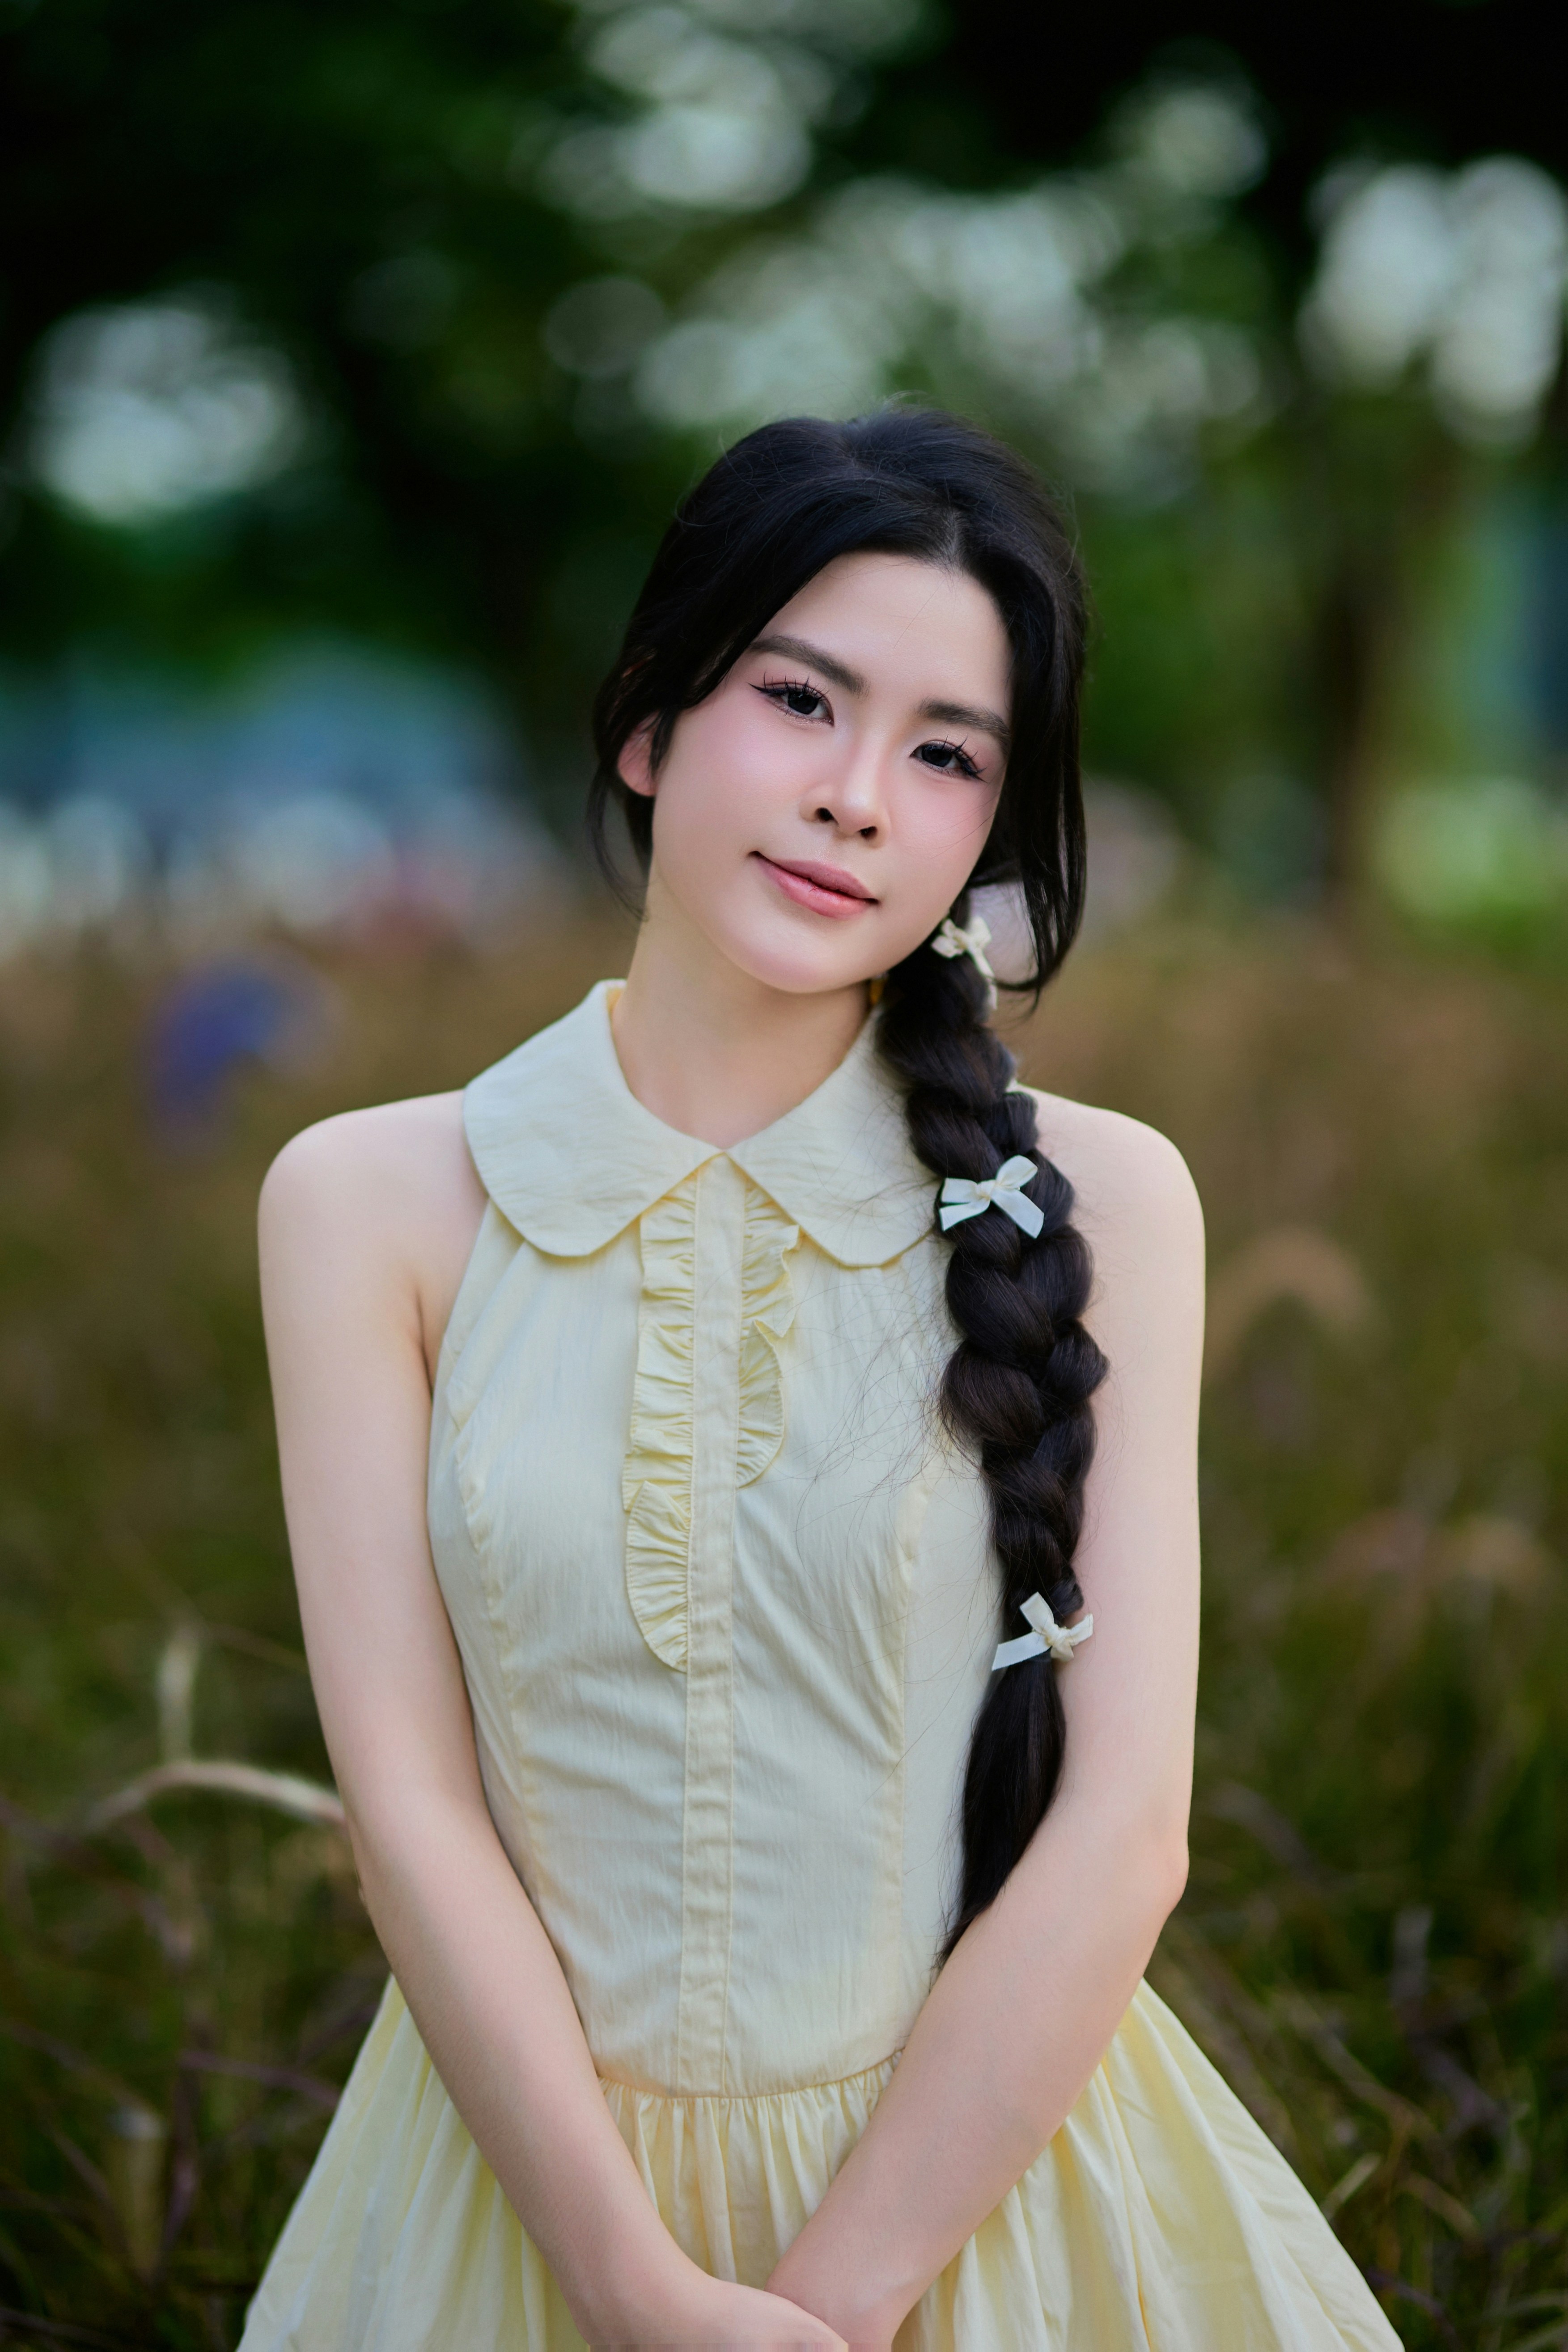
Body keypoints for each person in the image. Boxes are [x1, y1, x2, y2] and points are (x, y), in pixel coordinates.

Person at [242, 407, 1401, 2349]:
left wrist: (832, 2309)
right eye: (800, 699)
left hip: (992, 2204)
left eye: (948, 752)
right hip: (516, 2215)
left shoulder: (1103, 1197)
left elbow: (1125, 1831)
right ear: (649, 717)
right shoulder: (371, 1203)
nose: (858, 796)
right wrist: (633, 2290)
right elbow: (411, 1812)